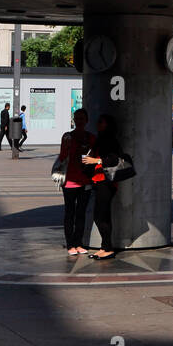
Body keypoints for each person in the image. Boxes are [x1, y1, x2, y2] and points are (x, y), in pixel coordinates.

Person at [82, 114, 124, 259]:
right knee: (102, 215)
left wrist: (95, 160)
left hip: (107, 182)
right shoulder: (100, 138)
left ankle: (108, 248)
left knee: (100, 216)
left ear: (108, 124)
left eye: (101, 122)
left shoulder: (110, 139)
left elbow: (114, 159)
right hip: (98, 180)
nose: (98, 124)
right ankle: (105, 247)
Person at [57, 108, 96, 255]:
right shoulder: (67, 137)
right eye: (77, 118)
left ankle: (78, 243)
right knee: (70, 212)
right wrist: (67, 149)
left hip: (85, 180)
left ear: (86, 121)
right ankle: (70, 244)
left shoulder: (91, 138)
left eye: (82, 119)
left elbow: (94, 157)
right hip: (70, 181)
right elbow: (62, 157)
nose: (79, 121)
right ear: (73, 120)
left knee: (81, 213)